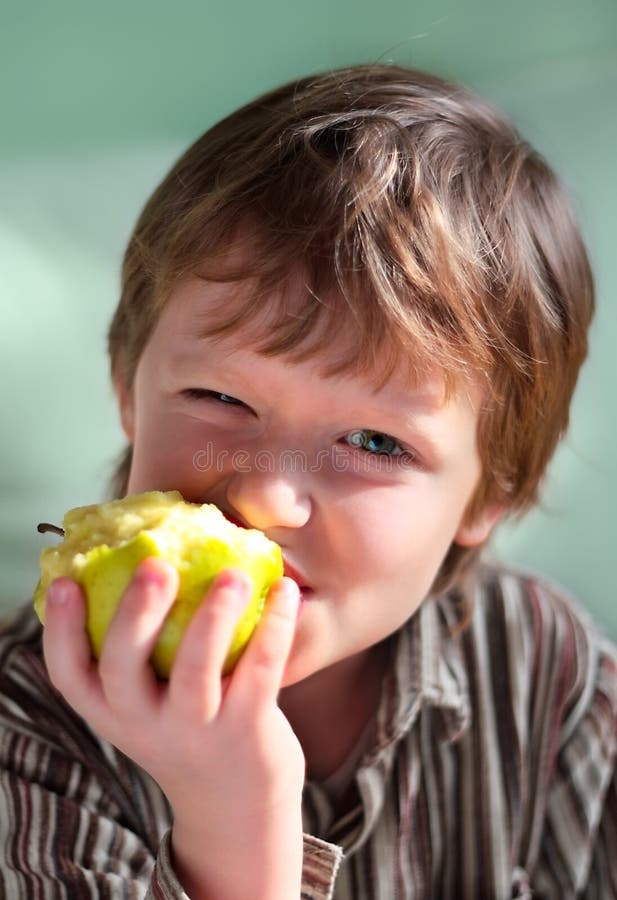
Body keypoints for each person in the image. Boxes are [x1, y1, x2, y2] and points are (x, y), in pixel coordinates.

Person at [0, 63, 615, 899]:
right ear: (126, 388)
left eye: (373, 441)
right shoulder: (25, 731)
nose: (264, 499)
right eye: (220, 397)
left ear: (487, 493)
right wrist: (234, 820)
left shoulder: (545, 675)